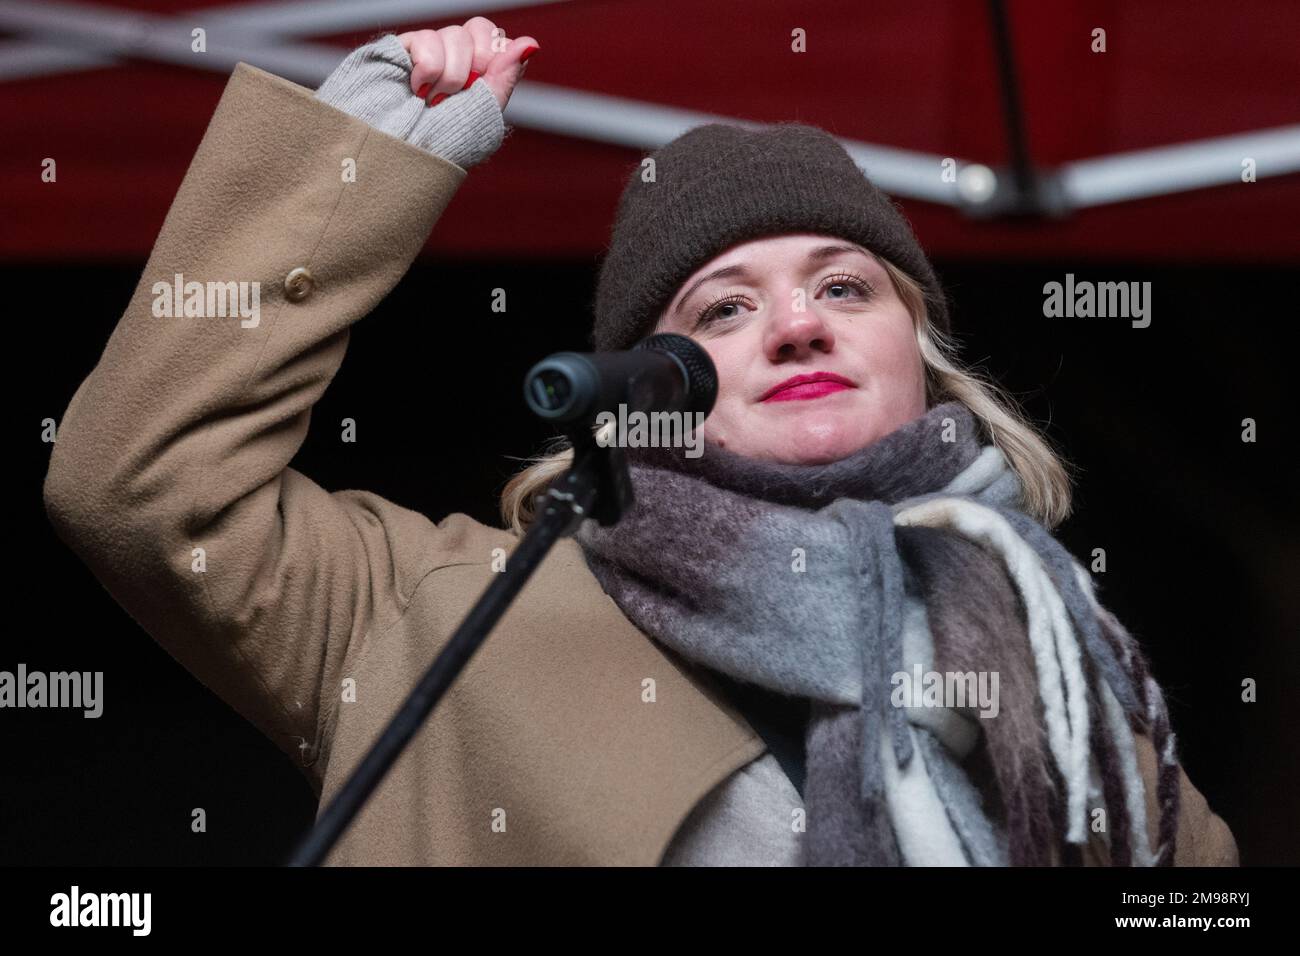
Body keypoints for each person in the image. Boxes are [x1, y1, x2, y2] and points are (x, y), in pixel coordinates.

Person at [43, 19, 1238, 866]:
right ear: (645, 393)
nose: (797, 321)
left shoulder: (1068, 676)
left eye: (846, 284)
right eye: (722, 306)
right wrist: (352, 169)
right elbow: (140, 485)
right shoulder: (438, 614)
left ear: (917, 350)